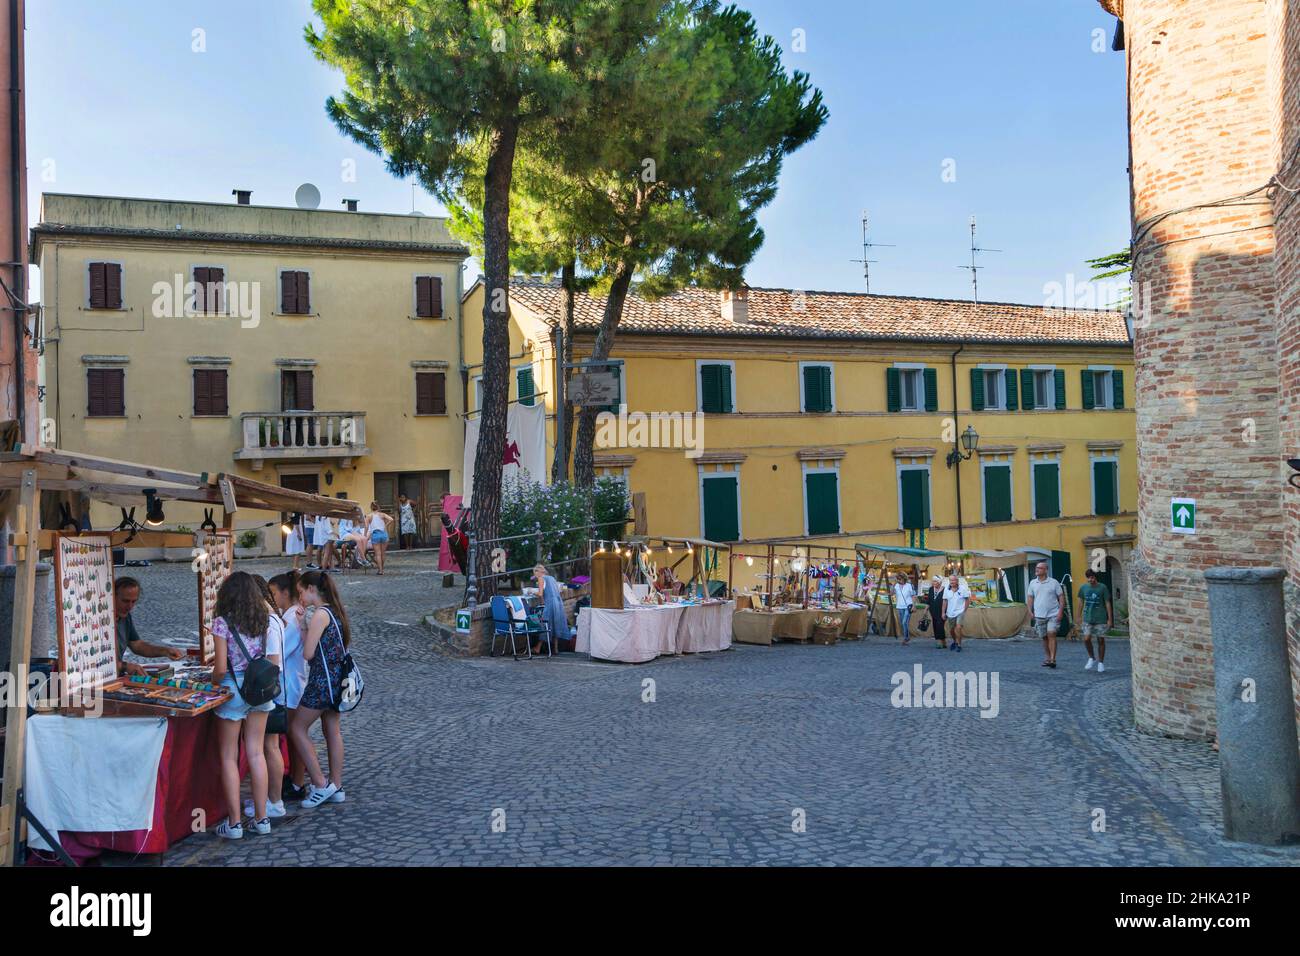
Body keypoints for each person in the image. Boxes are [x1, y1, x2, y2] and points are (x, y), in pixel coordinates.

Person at [209, 571, 280, 839]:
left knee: (229, 756)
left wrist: (212, 681)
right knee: (256, 753)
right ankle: (262, 819)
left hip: (233, 688)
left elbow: (219, 668)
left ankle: (235, 823)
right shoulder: (263, 620)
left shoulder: (221, 623)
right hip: (259, 689)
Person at [289, 570, 350, 809]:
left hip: (321, 681)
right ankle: (336, 786)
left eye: (302, 591)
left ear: (312, 590)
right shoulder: (336, 612)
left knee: (297, 727)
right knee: (332, 731)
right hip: (336, 680)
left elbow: (308, 653)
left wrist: (302, 626)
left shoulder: (320, 615)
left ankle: (320, 783)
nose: (301, 596)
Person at [241, 575, 287, 821]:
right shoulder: (273, 619)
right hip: (274, 692)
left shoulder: (269, 622)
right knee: (269, 747)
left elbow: (272, 663)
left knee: (269, 747)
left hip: (270, 693)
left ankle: (274, 801)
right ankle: (268, 798)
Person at [268, 570, 311, 801]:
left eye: (274, 593)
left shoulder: (293, 616)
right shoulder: (290, 615)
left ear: (286, 592)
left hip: (292, 684)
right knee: (293, 734)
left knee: (295, 735)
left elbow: (281, 650)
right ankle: (295, 778)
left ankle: (298, 782)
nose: (272, 598)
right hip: (291, 683)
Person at [113, 577, 186, 676]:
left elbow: (137, 645)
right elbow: (91, 663)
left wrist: (165, 651)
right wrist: (125, 666)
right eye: (125, 601)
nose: (130, 606)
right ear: (113, 597)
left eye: (133, 601)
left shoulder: (125, 617)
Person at [1028, 561, 1065, 669]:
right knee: (1044, 637)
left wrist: (1060, 612)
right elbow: (1030, 597)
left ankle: (1053, 659)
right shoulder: (1032, 583)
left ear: (1045, 570)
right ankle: (1048, 658)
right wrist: (1029, 611)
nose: (1037, 569)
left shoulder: (1054, 582)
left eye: (1039, 568)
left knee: (1051, 634)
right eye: (1036, 568)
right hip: (1039, 615)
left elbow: (1061, 597)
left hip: (1053, 613)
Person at [532, 564, 572, 655]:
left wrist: (532, 592)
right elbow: (550, 592)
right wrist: (542, 601)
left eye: (535, 573)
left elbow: (540, 593)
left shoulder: (541, 578)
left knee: (545, 624)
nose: (535, 575)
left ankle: (538, 648)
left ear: (539, 572)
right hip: (558, 603)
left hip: (550, 603)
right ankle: (556, 648)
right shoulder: (552, 578)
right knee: (555, 624)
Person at [1078, 568, 1113, 673]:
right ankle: (1091, 658)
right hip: (1087, 617)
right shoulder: (1083, 588)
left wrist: (1110, 619)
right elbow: (1080, 602)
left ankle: (1101, 662)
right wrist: (1078, 616)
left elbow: (1107, 603)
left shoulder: (1103, 587)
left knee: (1100, 640)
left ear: (1095, 577)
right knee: (1086, 638)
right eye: (1088, 578)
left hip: (1100, 618)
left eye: (1092, 577)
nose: (1090, 580)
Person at [941, 572, 971, 652]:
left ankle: (959, 644)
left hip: (960, 612)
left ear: (957, 581)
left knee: (958, 627)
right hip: (950, 612)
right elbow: (944, 601)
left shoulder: (963, 588)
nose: (952, 582)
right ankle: (955, 641)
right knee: (951, 630)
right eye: (950, 580)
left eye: (953, 580)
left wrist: (964, 610)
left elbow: (967, 599)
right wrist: (943, 612)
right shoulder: (946, 590)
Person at [366, 502, 395, 574]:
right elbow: (391, 519)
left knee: (378, 554)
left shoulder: (369, 516)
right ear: (378, 507)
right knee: (383, 553)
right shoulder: (382, 514)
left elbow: (366, 527)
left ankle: (380, 570)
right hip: (384, 534)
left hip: (375, 535)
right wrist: (386, 525)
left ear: (371, 508)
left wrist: (364, 535)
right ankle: (382, 568)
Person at [922, 575, 946, 649]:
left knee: (940, 625)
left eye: (935, 581)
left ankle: (939, 641)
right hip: (933, 611)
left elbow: (947, 601)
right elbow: (929, 601)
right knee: (935, 625)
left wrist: (944, 612)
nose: (933, 582)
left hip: (942, 611)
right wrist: (925, 610)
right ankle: (943, 641)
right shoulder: (931, 589)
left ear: (940, 582)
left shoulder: (945, 590)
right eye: (933, 581)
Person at [893, 571, 916, 645]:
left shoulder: (909, 585)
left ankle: (906, 638)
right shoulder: (896, 585)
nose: (899, 580)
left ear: (904, 578)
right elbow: (891, 593)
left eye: (900, 579)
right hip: (899, 606)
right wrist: (892, 586)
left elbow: (913, 596)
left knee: (904, 622)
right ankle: (907, 637)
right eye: (898, 579)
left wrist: (914, 605)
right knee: (903, 623)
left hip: (908, 606)